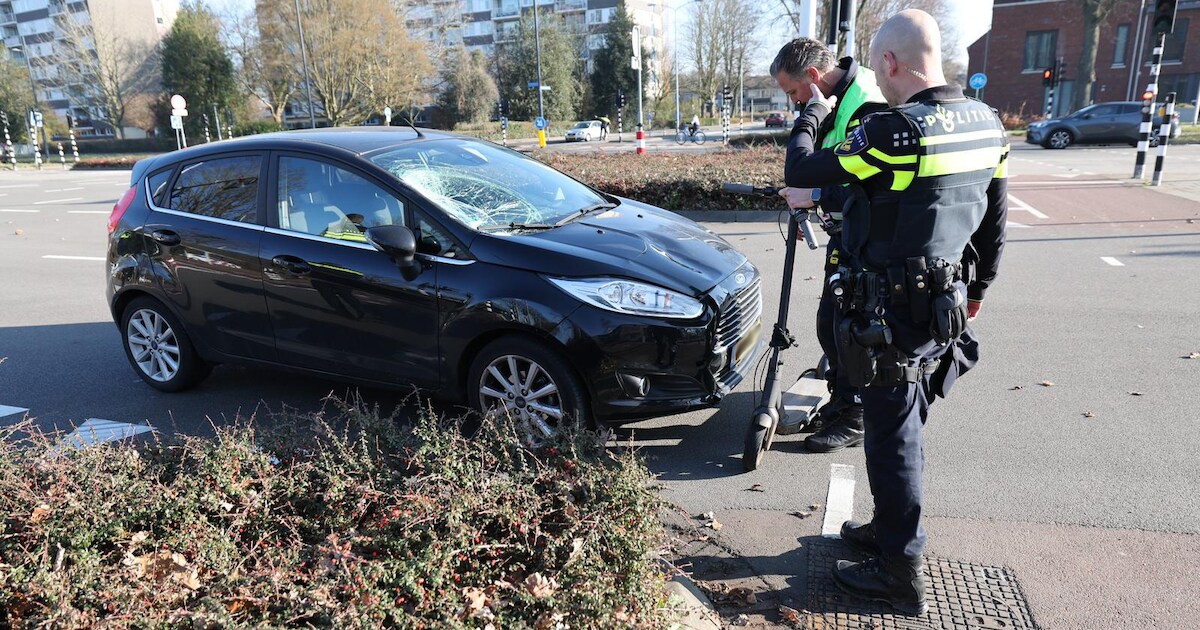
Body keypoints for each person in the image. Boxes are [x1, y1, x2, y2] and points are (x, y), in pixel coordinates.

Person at [779, 10, 1008, 615]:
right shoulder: (988, 124)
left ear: (888, 63)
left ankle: (900, 568)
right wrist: (979, 285)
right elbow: (993, 219)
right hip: (943, 303)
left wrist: (810, 115)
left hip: (889, 312)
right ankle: (886, 531)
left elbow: (801, 171)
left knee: (891, 434)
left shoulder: (897, 132)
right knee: (900, 421)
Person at [770, 38, 889, 453]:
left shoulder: (865, 104)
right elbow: (830, 164)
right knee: (830, 322)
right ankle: (841, 401)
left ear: (814, 77)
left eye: (793, 92)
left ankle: (855, 415)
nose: (794, 102)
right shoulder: (837, 96)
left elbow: (871, 186)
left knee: (851, 329)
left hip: (868, 236)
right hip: (845, 229)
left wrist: (817, 195)